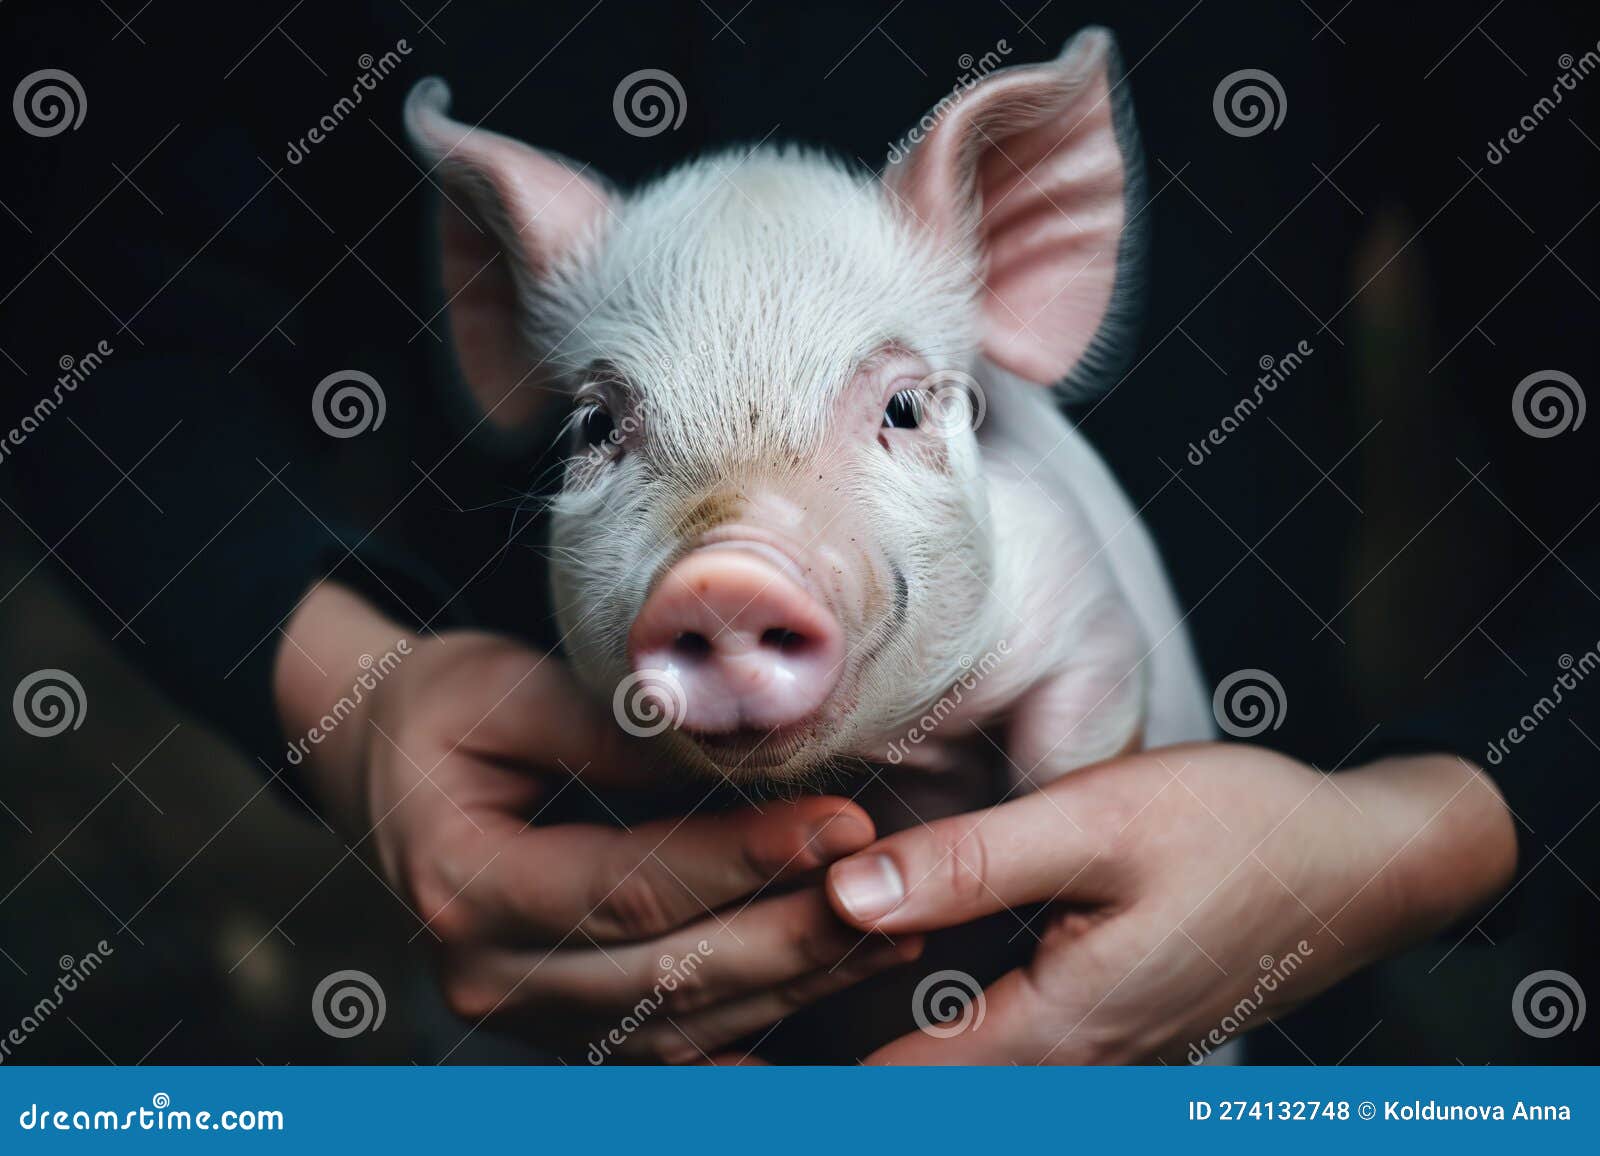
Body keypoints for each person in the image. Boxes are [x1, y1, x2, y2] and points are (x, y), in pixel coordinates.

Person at [4, 0, 1593, 1062]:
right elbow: (71, 295)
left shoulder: (1034, 543)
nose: (743, 557)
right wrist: (345, 702)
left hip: (1263, 991)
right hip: (568, 1007)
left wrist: (1438, 827)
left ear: (1032, 241)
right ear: (506, 302)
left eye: (899, 415)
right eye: (605, 427)